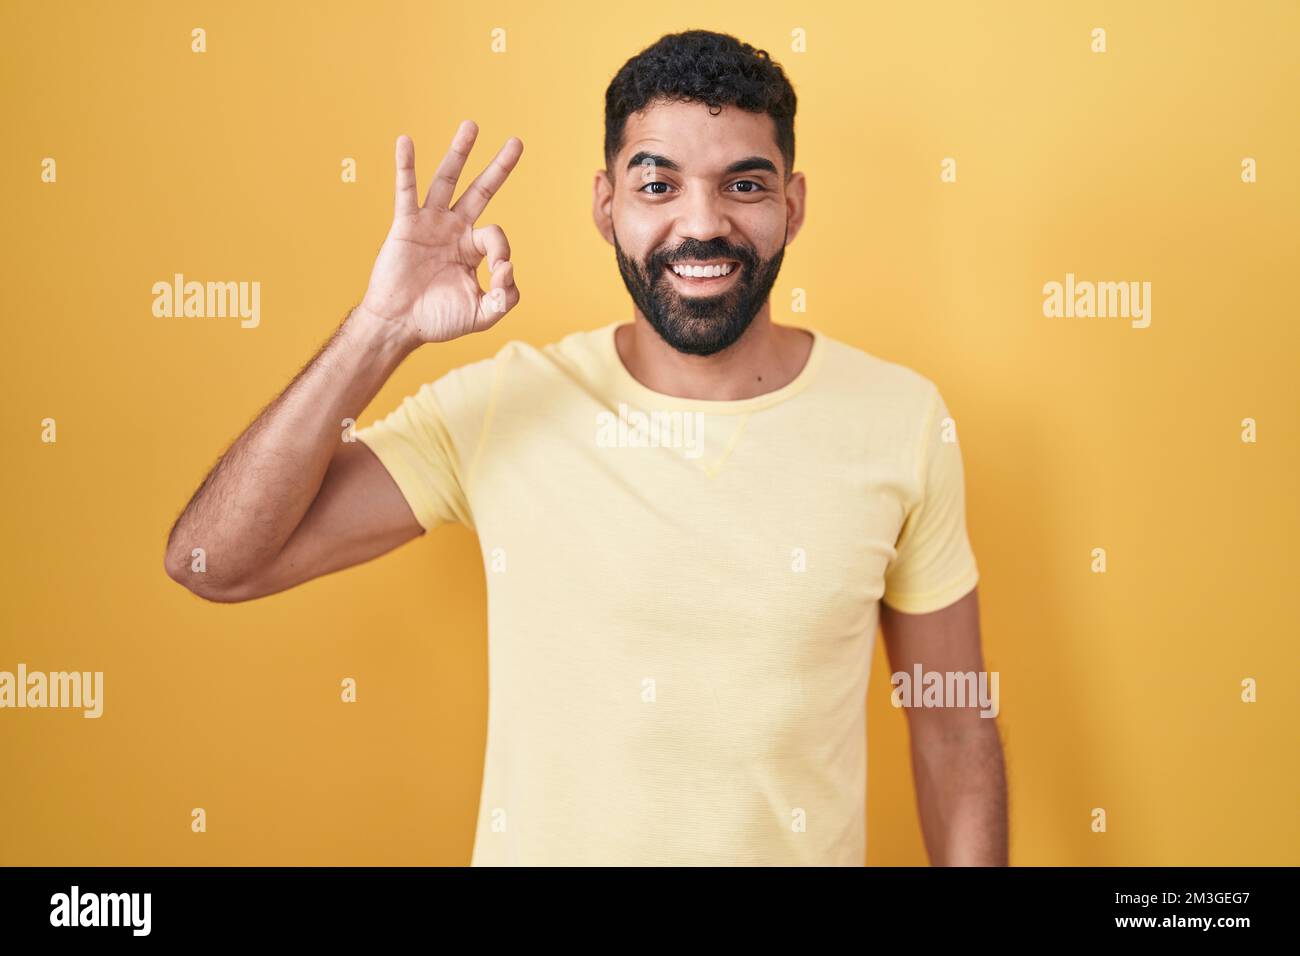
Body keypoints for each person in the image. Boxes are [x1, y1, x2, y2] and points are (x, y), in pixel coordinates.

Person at [165, 29, 1007, 866]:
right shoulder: (507, 404)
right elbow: (214, 562)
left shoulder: (900, 419)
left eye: (743, 184)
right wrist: (379, 330)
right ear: (607, 205)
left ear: (792, 204)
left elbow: (954, 733)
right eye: (658, 184)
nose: (702, 223)